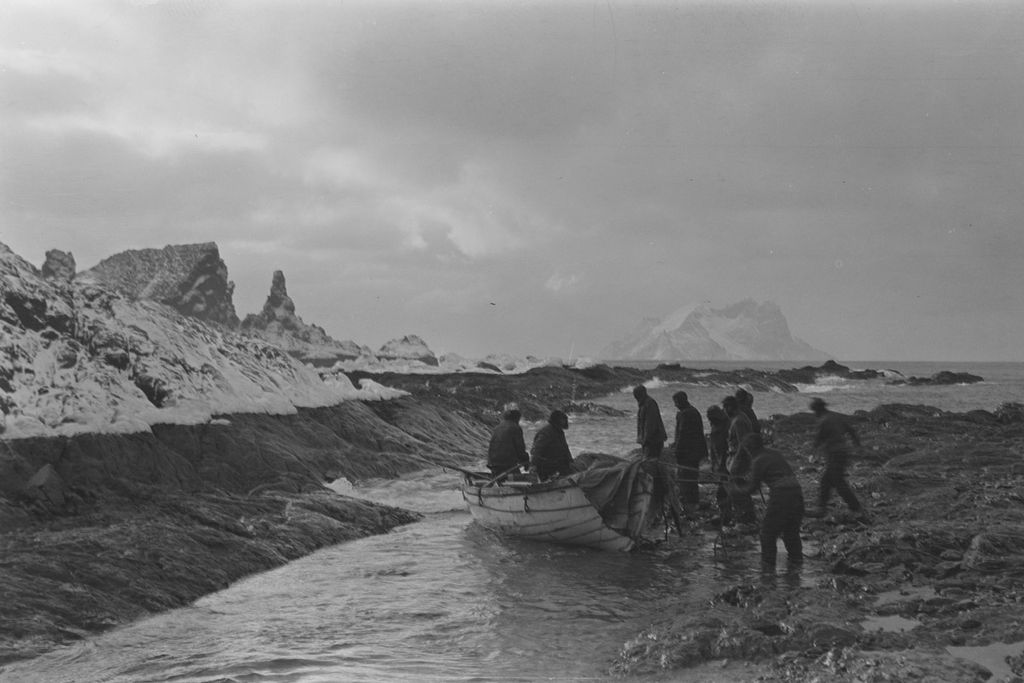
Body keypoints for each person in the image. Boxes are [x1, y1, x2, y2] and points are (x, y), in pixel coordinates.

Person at [731, 433, 804, 570]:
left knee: (767, 533)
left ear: (750, 448)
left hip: (781, 495)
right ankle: (797, 564)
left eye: (746, 450)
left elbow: (752, 488)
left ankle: (768, 569)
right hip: (797, 492)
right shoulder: (774, 453)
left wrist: (735, 490)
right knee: (791, 531)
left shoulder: (758, 460)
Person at [634, 385, 684, 534]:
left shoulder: (650, 404)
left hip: (653, 441)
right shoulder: (644, 403)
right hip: (648, 441)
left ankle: (656, 497)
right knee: (650, 465)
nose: (636, 398)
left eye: (637, 395)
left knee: (652, 465)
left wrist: (645, 440)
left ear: (642, 394)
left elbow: (650, 424)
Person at [807, 397, 867, 519]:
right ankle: (821, 508)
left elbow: (818, 439)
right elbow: (851, 430)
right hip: (843, 452)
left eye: (814, 411)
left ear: (817, 410)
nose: (814, 414)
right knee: (827, 480)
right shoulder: (835, 417)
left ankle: (855, 508)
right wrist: (858, 445)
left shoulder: (823, 421)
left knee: (838, 482)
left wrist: (811, 452)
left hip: (835, 454)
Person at [671, 391, 708, 519]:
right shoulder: (693, 411)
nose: (675, 405)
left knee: (685, 477)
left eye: (676, 402)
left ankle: (689, 505)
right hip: (695, 451)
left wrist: (677, 449)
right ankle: (693, 503)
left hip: (687, 452)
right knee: (692, 477)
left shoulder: (685, 414)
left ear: (681, 401)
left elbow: (683, 434)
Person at [722, 395, 757, 528]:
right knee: (739, 488)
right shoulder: (740, 418)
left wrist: (735, 463)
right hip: (737, 459)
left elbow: (743, 444)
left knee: (738, 489)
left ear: (730, 407)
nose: (724, 411)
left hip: (739, 460)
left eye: (725, 408)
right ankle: (744, 518)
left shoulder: (739, 421)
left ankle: (745, 519)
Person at [706, 405, 733, 527]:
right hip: (719, 461)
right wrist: (713, 462)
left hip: (727, 462)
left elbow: (726, 446)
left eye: (711, 418)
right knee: (723, 490)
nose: (710, 420)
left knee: (724, 491)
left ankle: (727, 515)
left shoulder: (727, 425)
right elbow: (713, 446)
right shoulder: (715, 425)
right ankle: (726, 513)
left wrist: (723, 463)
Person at [486, 404, 529, 478]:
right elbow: (520, 449)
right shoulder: (515, 428)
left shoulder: (498, 427)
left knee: (500, 478)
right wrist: (526, 462)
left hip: (492, 463)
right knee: (519, 479)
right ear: (516, 418)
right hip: (507, 464)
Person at [531, 410, 573, 480]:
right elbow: (537, 450)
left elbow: (565, 448)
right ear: (557, 420)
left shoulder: (558, 431)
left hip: (559, 465)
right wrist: (533, 465)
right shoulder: (546, 432)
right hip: (548, 466)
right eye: (562, 420)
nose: (565, 422)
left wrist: (570, 460)